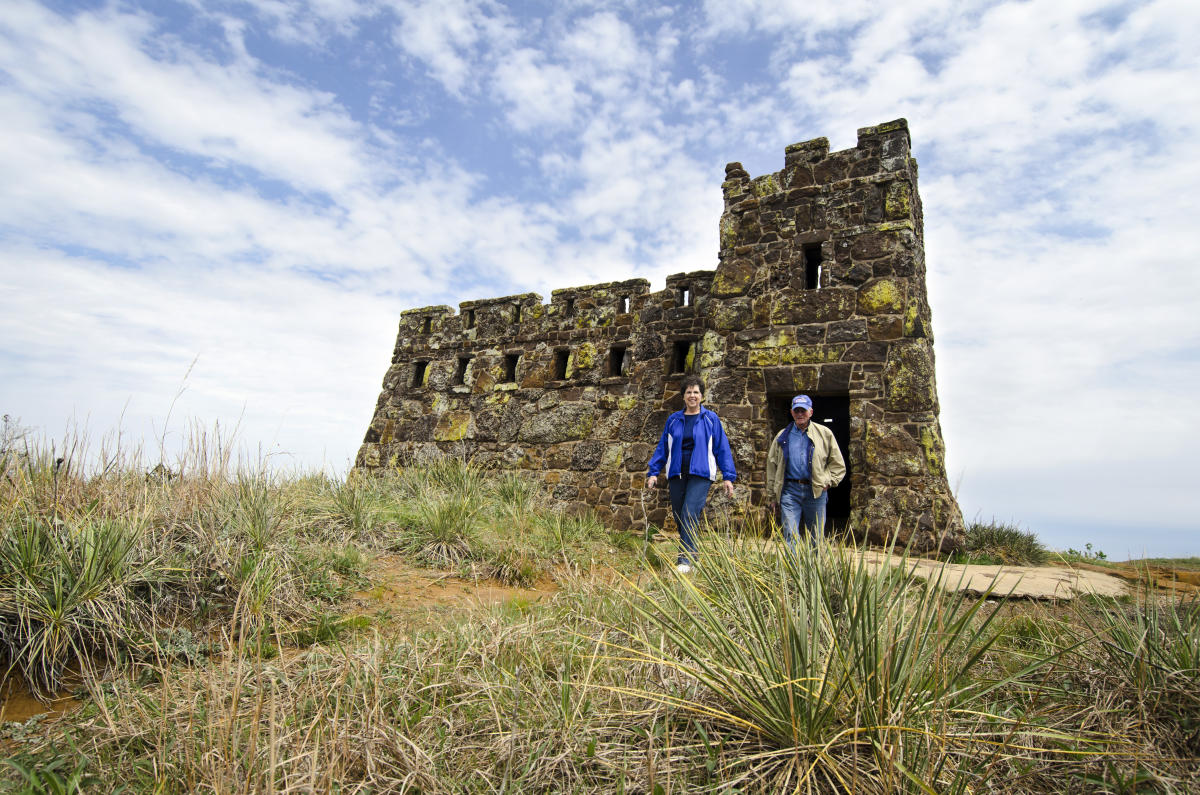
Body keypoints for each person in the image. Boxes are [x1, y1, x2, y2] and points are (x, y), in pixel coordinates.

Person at [646, 376, 737, 573]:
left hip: (701, 474)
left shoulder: (710, 419)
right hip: (677, 473)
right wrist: (653, 472)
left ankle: (685, 560)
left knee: (689, 513)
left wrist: (728, 476)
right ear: (683, 396)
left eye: (696, 392)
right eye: (689, 392)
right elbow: (663, 448)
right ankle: (693, 555)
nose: (692, 396)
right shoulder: (674, 420)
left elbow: (722, 449)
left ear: (702, 396)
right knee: (680, 516)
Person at [765, 394, 846, 548]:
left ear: (811, 412)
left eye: (803, 410)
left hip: (815, 491)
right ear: (792, 412)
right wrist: (772, 496)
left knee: (816, 537)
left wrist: (827, 482)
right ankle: (793, 570)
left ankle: (815, 570)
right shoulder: (782, 436)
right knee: (790, 534)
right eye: (797, 411)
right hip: (789, 491)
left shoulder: (825, 433)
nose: (800, 414)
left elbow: (838, 465)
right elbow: (772, 466)